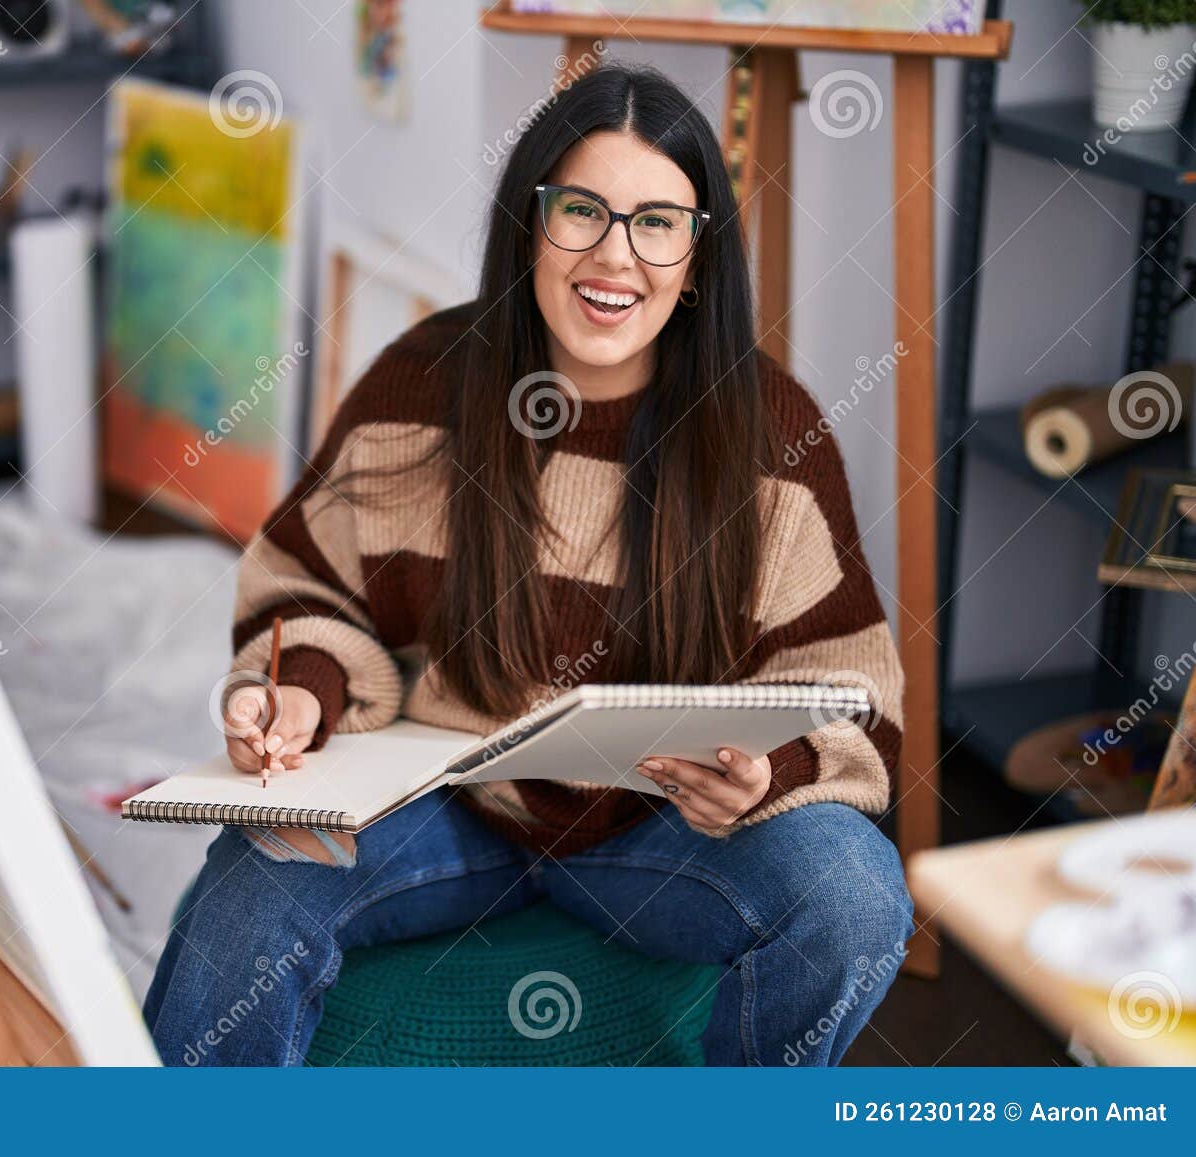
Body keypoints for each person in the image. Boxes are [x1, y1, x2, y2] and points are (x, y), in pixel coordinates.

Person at [144, 63, 911, 1066]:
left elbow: (849, 691)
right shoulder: (421, 383)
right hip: (437, 804)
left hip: (665, 833)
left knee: (854, 893)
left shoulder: (770, 432)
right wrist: (300, 689)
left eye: (657, 223)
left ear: (696, 258)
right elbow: (307, 587)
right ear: (529, 225)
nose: (614, 254)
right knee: (250, 883)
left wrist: (771, 772)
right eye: (580, 211)